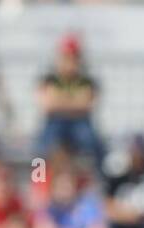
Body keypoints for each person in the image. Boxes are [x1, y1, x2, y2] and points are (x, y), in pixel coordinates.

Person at [35, 33, 103, 167]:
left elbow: (87, 105)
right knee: (40, 148)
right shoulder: (49, 79)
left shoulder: (86, 80)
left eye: (73, 57)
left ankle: (101, 180)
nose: (70, 61)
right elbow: (48, 105)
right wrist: (74, 102)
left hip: (80, 123)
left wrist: (60, 101)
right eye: (66, 57)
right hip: (54, 123)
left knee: (93, 144)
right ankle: (39, 182)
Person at [33, 159, 107, 228]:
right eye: (59, 187)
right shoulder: (46, 209)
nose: (63, 192)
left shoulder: (88, 207)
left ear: (75, 187)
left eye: (67, 186)